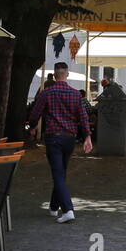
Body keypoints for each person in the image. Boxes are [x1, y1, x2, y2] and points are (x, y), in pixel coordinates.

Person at [28, 61, 93, 223]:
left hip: (53, 137)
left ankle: (68, 209)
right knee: (61, 172)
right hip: (70, 138)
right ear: (67, 75)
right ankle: (53, 206)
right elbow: (83, 117)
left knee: (58, 173)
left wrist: (32, 126)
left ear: (55, 75)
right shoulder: (76, 94)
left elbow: (35, 113)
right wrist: (87, 136)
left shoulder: (47, 93)